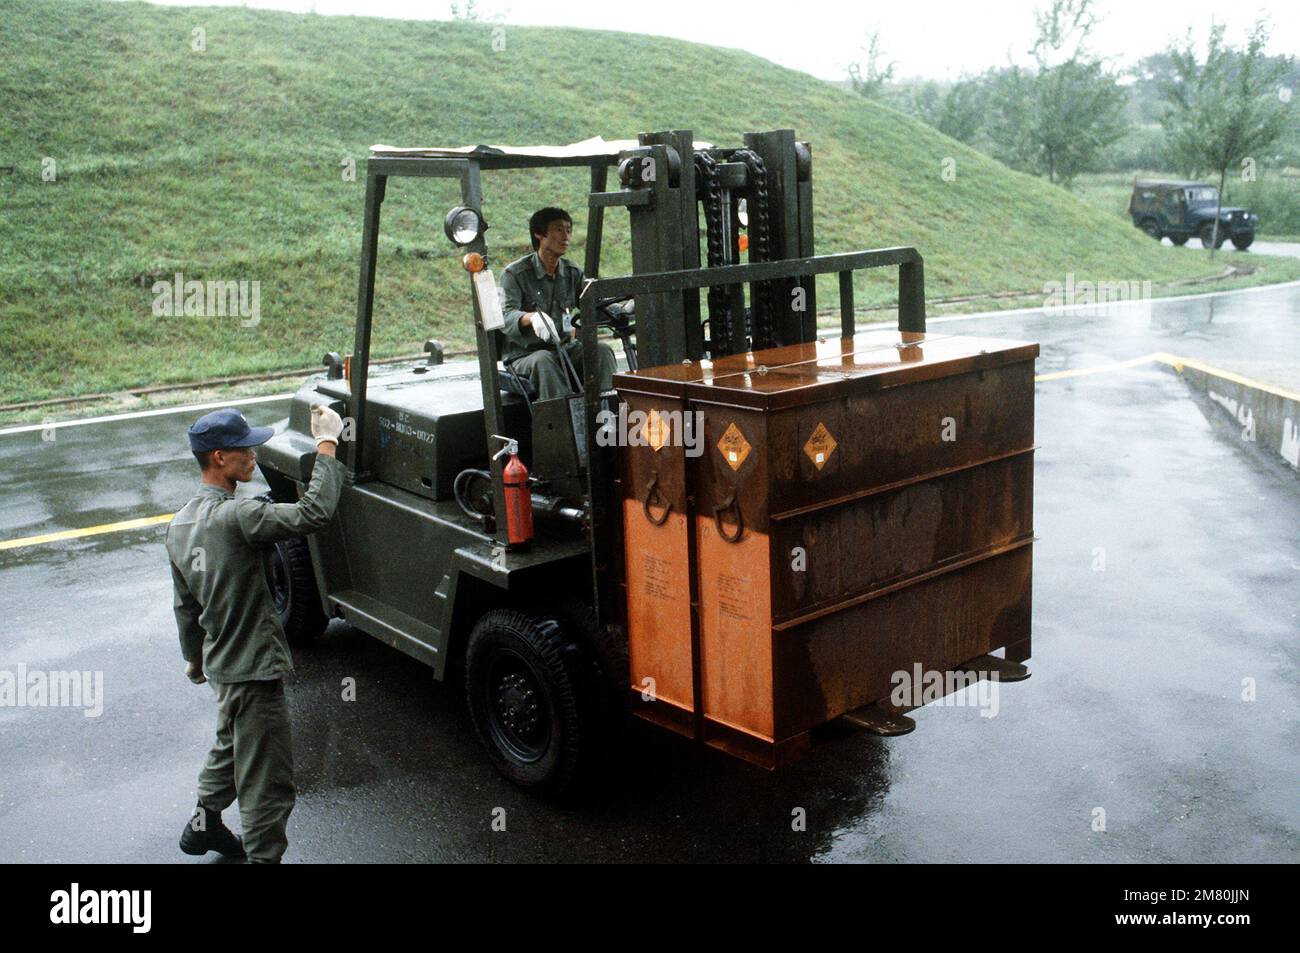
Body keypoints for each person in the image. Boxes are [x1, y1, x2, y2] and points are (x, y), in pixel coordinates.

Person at [166, 404, 345, 863]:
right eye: (246, 450)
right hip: (253, 670)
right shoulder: (239, 517)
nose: (254, 455)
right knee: (268, 779)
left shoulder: (180, 525)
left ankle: (202, 826)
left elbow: (186, 607)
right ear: (221, 457)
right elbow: (314, 513)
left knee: (231, 743)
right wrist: (327, 443)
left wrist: (194, 660)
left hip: (223, 666)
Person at [499, 206, 617, 400]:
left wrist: (622, 308)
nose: (566, 237)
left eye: (568, 230)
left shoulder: (571, 272)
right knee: (544, 361)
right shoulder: (515, 274)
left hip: (565, 349)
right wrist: (531, 317)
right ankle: (565, 424)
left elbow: (594, 303)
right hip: (526, 355)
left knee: (601, 350)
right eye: (558, 230)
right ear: (539, 234)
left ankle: (607, 414)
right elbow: (504, 315)